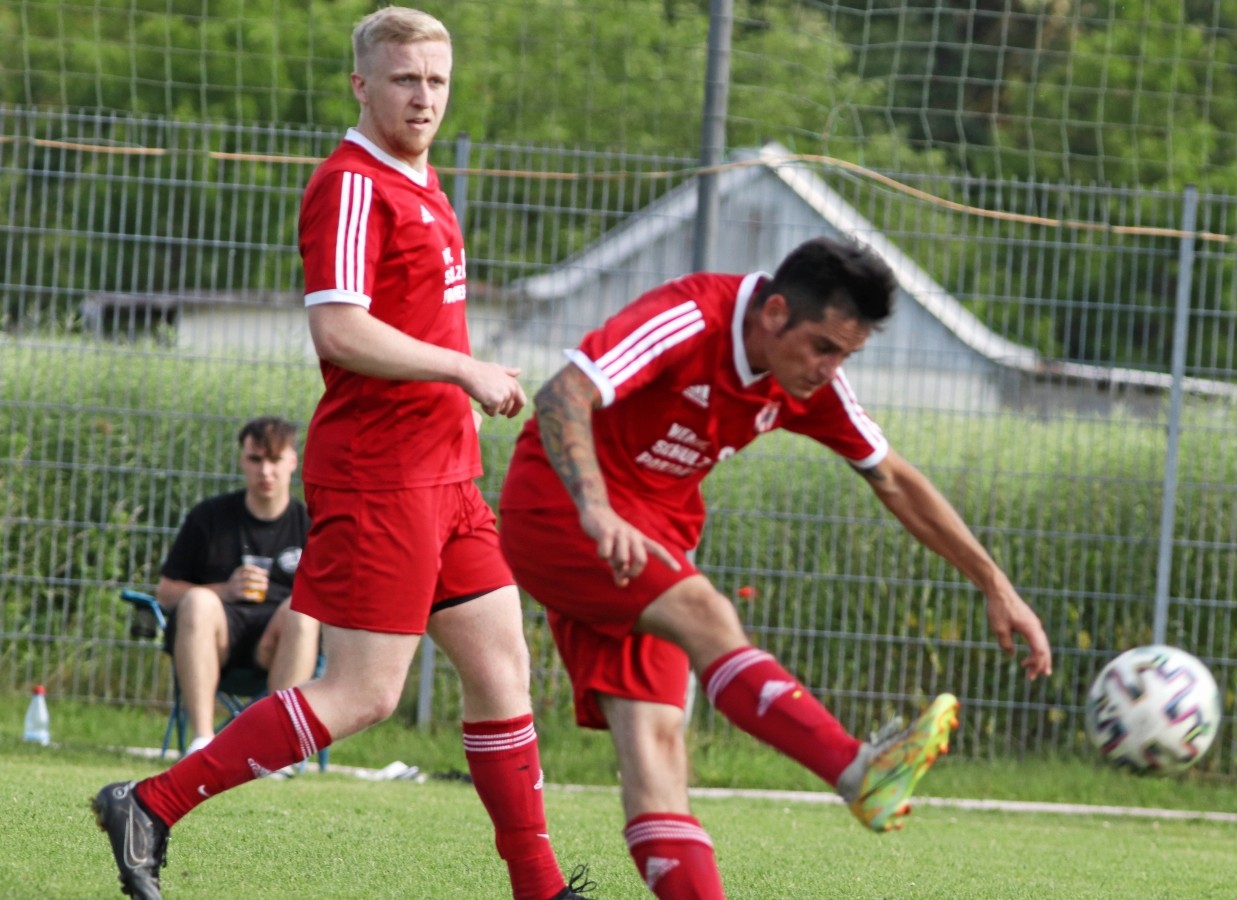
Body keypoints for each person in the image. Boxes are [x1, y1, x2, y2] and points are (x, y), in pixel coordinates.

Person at [93, 9, 583, 900]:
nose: (424, 96)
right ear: (363, 84)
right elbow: (339, 328)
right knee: (363, 693)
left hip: (447, 477)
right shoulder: (351, 183)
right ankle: (150, 804)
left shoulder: (424, 182)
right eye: (405, 79)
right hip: (382, 474)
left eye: (436, 79)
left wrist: (457, 400)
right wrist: (465, 369)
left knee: (502, 663)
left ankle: (541, 889)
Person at [497, 236, 1055, 898]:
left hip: (653, 536)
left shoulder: (810, 381)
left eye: (847, 354)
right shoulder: (690, 318)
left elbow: (895, 478)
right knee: (707, 615)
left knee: (658, 759)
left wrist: (996, 585)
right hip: (561, 505)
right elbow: (562, 393)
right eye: (823, 347)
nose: (830, 369)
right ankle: (858, 772)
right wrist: (595, 510)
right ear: (774, 313)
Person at [155, 415, 318, 757]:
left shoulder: (312, 525)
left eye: (274, 460)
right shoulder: (209, 517)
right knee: (198, 602)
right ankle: (202, 742)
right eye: (256, 460)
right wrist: (224, 591)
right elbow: (166, 593)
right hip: (216, 640)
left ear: (292, 461)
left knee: (301, 611)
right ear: (242, 460)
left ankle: (275, 749)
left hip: (277, 643)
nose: (265, 472)